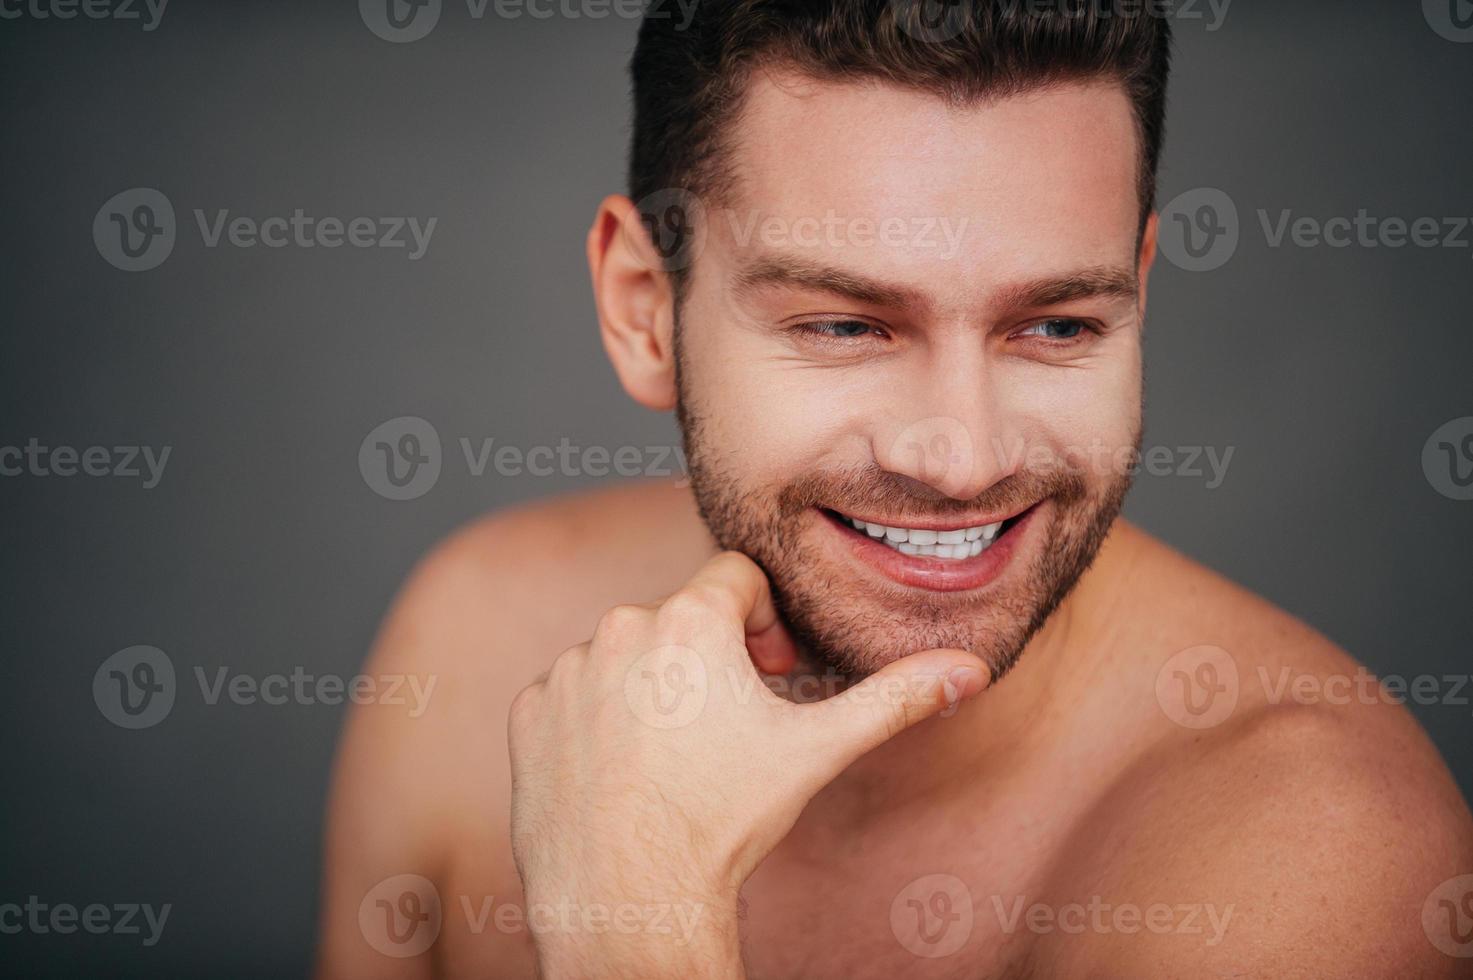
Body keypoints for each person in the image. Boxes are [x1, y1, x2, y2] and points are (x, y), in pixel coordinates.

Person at [316, 3, 1473, 976]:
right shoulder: (472, 644)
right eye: (846, 324)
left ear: (1141, 295)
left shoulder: (1325, 863)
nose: (962, 458)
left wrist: (634, 926)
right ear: (642, 306)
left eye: (1056, 324)